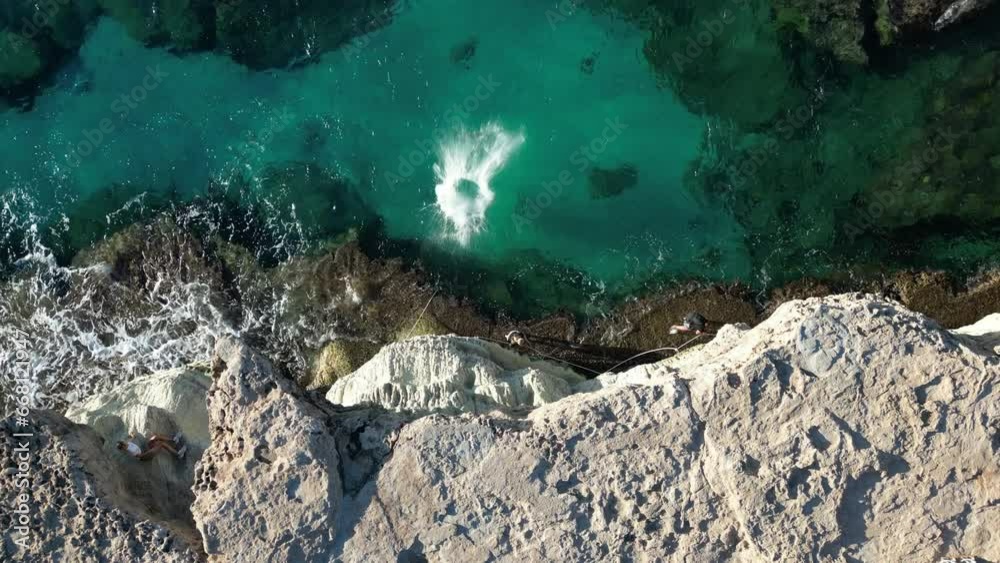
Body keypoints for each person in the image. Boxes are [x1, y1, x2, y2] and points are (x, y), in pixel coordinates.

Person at [117, 432, 187, 461]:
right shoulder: (130, 451)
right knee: (161, 444)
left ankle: (173, 440)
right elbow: (140, 456)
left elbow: (132, 437)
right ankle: (178, 454)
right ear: (123, 447)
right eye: (123, 443)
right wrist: (151, 451)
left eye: (123, 442)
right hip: (146, 456)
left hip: (144, 450)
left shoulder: (127, 443)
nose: (124, 442)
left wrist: (132, 435)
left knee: (155, 437)